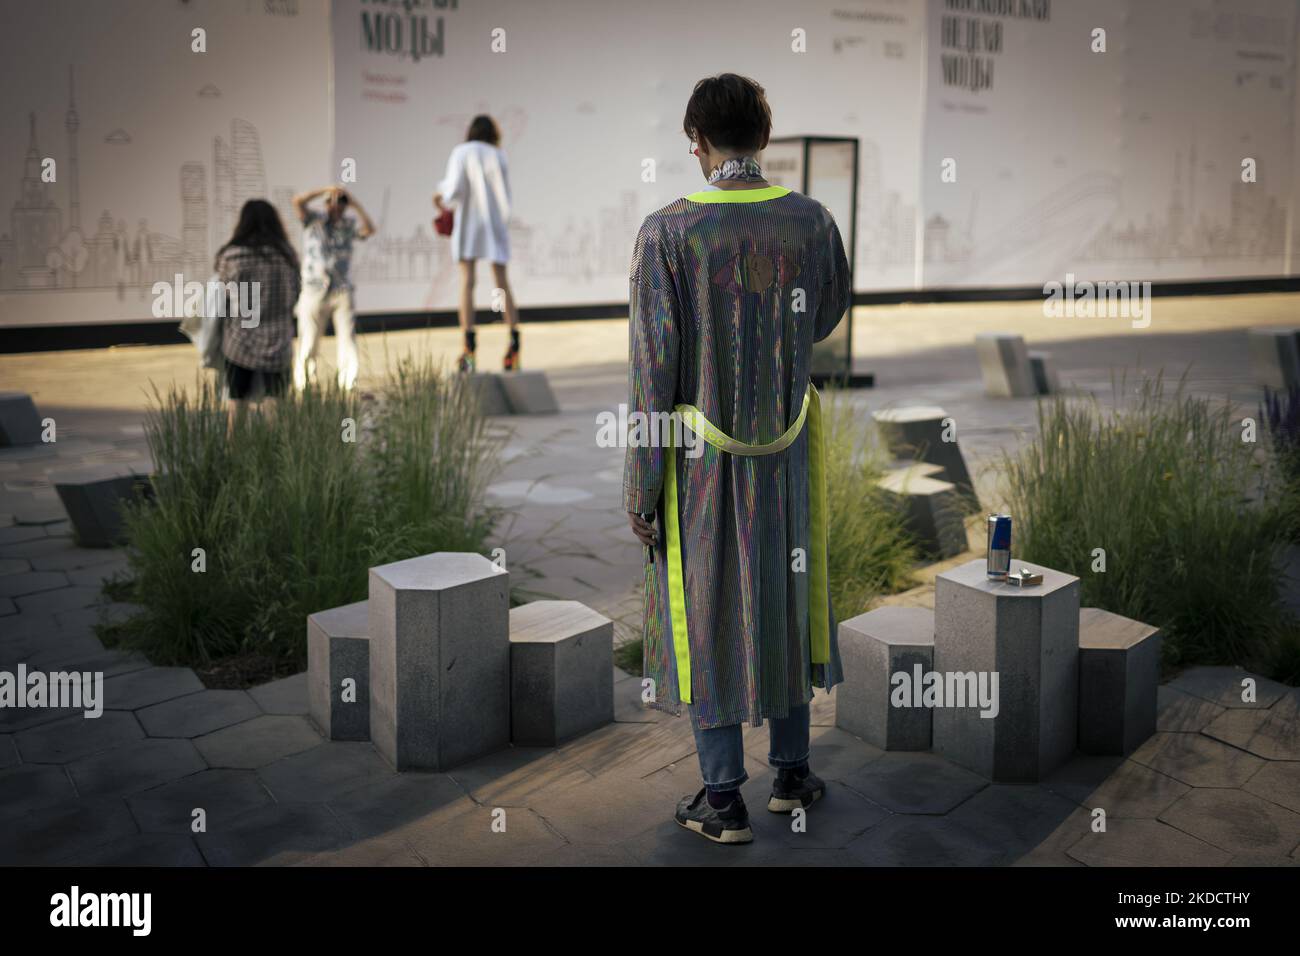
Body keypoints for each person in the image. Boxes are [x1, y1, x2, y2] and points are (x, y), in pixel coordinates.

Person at [623, 74, 852, 844]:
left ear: (697, 142)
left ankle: (722, 801)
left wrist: (642, 487)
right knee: (785, 600)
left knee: (710, 608)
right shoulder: (812, 223)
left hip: (700, 466)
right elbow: (824, 316)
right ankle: (793, 775)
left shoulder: (667, 234)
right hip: (782, 452)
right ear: (766, 133)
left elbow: (653, 371)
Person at [433, 114, 521, 373]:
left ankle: (469, 348)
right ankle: (514, 342)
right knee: (502, 283)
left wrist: (438, 196)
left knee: (467, 282)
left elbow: (453, 190)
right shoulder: (499, 154)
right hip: (494, 224)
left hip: (470, 224)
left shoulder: (461, 152)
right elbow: (505, 195)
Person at [214, 199, 301, 425]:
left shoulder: (231, 256)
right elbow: (295, 295)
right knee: (276, 403)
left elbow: (223, 297)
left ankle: (235, 453)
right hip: (278, 342)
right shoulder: (286, 256)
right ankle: (274, 453)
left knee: (236, 403)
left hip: (239, 342)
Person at [291, 185, 375, 390]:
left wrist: (353, 202)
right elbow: (297, 202)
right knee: (309, 338)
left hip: (340, 289)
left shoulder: (348, 224)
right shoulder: (314, 220)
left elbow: (369, 229)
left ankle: (348, 382)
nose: (336, 207)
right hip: (313, 288)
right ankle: (305, 384)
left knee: (347, 338)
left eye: (340, 203)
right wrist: (326, 190)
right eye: (332, 202)